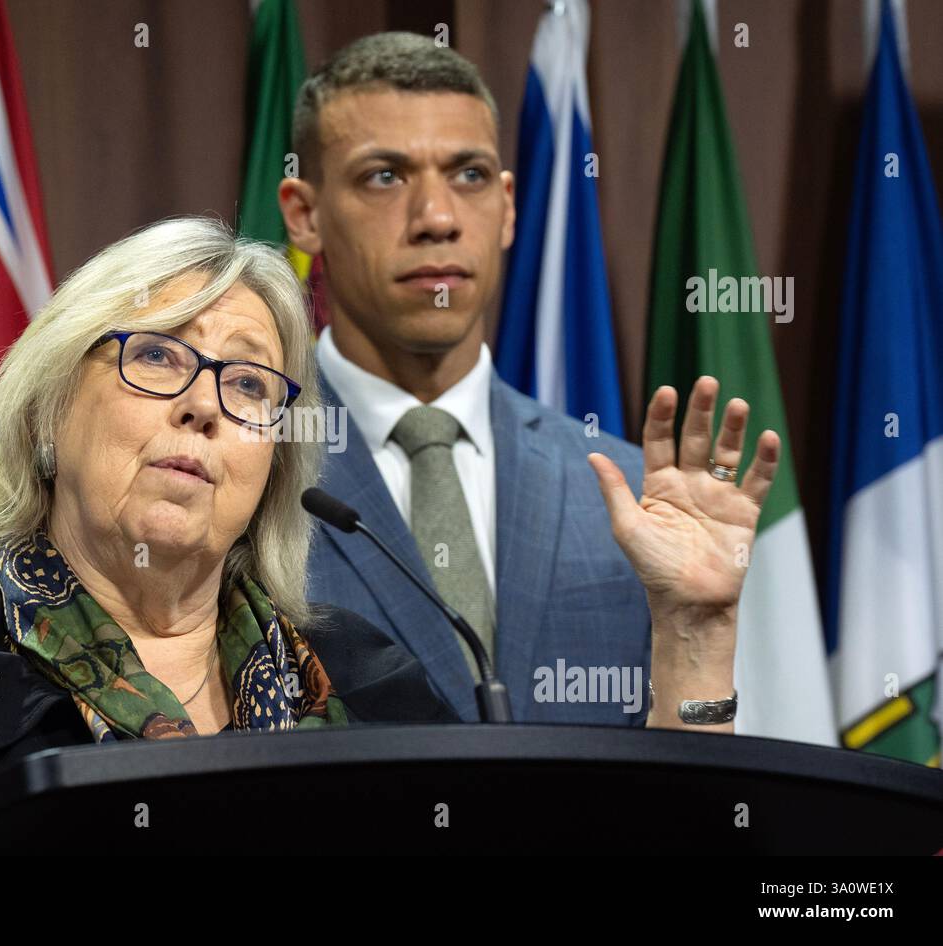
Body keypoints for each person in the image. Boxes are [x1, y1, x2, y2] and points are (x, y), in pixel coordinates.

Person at [0, 216, 455, 855]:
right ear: (48, 413)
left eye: (249, 383)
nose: (204, 405)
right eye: (159, 354)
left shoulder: (372, 684)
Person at [278, 33, 779, 728]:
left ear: (509, 206)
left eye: (470, 175)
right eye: (385, 176)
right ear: (305, 214)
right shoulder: (246, 474)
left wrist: (698, 632)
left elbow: (690, 801)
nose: (438, 219)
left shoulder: (633, 498)